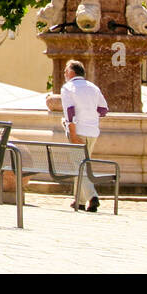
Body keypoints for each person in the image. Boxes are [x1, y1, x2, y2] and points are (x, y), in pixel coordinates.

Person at [60, 59, 109, 212]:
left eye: (66, 71)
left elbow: (70, 112)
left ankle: (92, 196)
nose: (64, 74)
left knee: (78, 165)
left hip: (78, 129)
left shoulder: (68, 88)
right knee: (82, 163)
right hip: (92, 130)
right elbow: (103, 109)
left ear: (71, 72)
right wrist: (90, 114)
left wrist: (73, 133)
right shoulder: (93, 87)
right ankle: (79, 201)